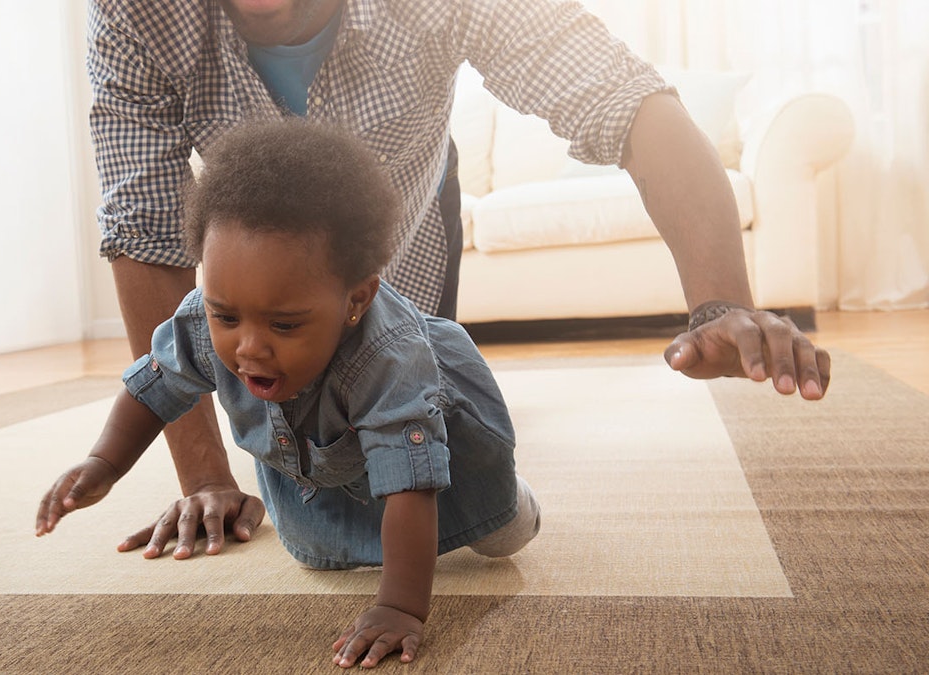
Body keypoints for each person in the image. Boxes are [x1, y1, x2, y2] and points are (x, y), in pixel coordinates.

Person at [87, 0, 831, 619]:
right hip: (270, 269)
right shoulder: (135, 13)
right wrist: (206, 478)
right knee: (325, 476)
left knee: (420, 417)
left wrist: (719, 303)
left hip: (408, 227)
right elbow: (145, 227)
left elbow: (624, 98)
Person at [38, 119, 542, 668]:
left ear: (355, 299)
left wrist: (400, 607)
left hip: (438, 449)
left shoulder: (390, 357)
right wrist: (104, 462)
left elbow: (411, 490)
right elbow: (153, 386)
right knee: (320, 556)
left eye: (283, 325)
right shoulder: (206, 324)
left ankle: (512, 496)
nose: (249, 348)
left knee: (500, 532)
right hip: (323, 458)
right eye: (227, 314)